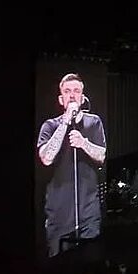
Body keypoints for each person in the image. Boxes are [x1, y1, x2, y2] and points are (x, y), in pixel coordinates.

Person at [37, 74, 107, 257]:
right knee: (60, 266)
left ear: (82, 98)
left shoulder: (94, 122)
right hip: (59, 215)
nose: (72, 95)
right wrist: (65, 122)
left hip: (88, 213)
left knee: (90, 263)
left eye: (76, 91)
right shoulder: (50, 126)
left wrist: (84, 143)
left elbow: (101, 155)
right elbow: (46, 158)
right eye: (67, 91)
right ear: (61, 99)